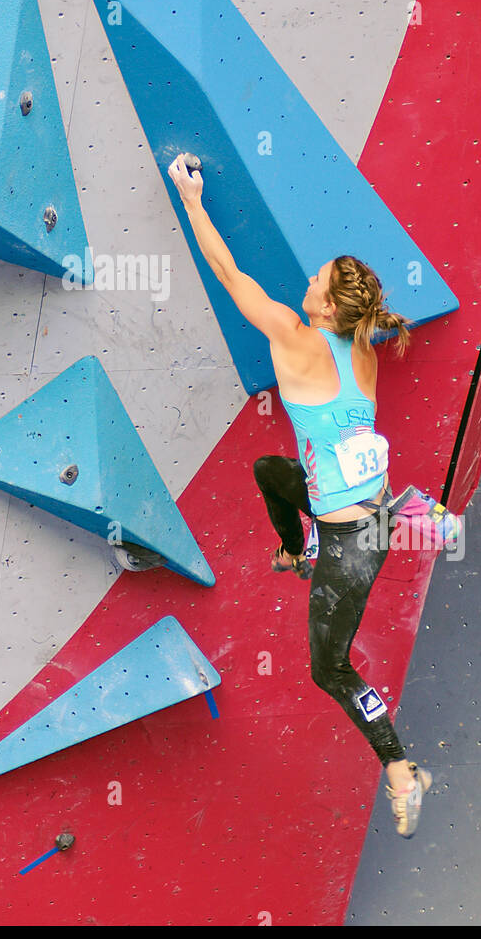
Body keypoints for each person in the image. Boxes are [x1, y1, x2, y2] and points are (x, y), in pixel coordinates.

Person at [167, 153, 432, 838]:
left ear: (326, 305)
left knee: (330, 668)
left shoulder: (294, 335)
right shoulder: (362, 350)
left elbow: (229, 275)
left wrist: (192, 199)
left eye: (315, 279)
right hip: (355, 506)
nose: (307, 279)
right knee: (268, 470)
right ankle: (297, 545)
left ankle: (401, 768)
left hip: (357, 545)